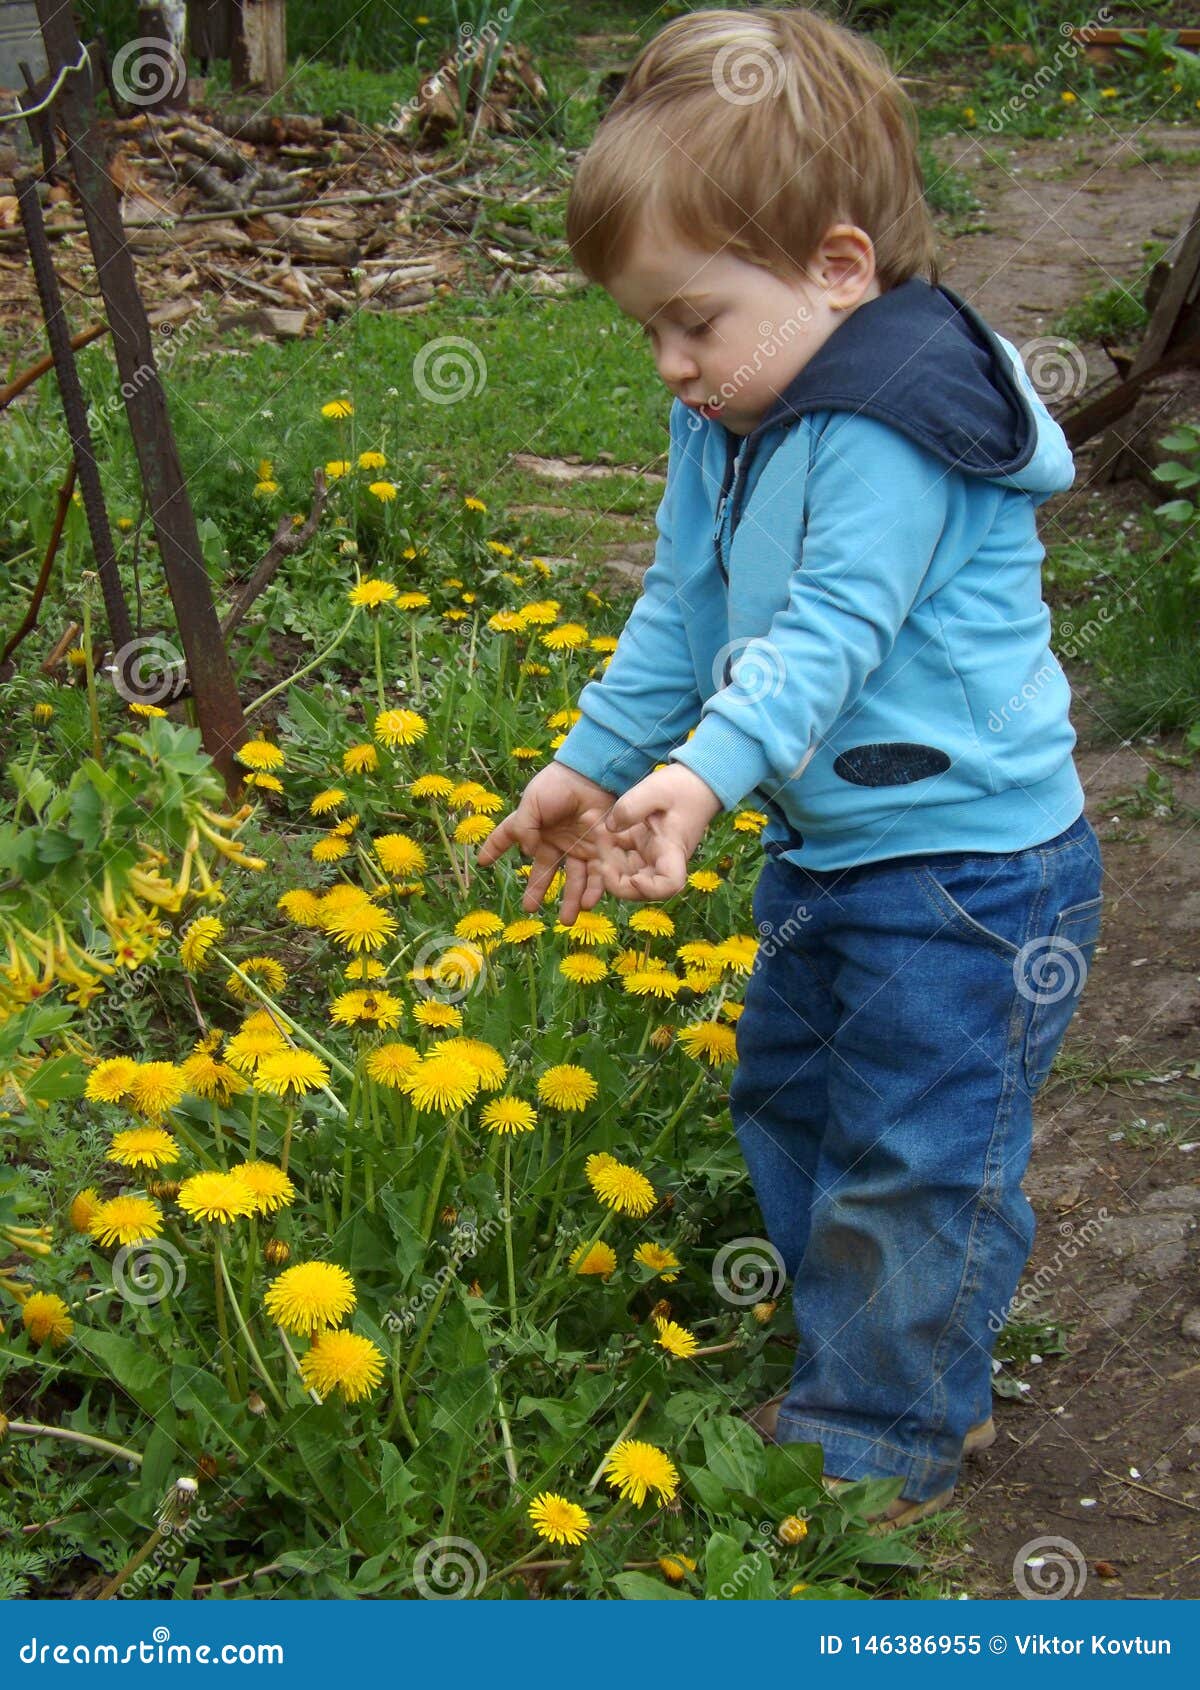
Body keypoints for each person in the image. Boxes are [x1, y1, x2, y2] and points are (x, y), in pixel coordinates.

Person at [478, 5, 1103, 1529]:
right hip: (842, 852)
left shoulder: (892, 424)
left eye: (693, 318)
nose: (674, 362)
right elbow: (686, 605)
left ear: (837, 267)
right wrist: (591, 760)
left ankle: (885, 1433)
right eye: (648, 331)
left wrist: (704, 777)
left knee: (918, 1148)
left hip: (971, 875)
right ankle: (855, 1335)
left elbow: (824, 636)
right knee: (795, 1094)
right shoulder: (736, 411)